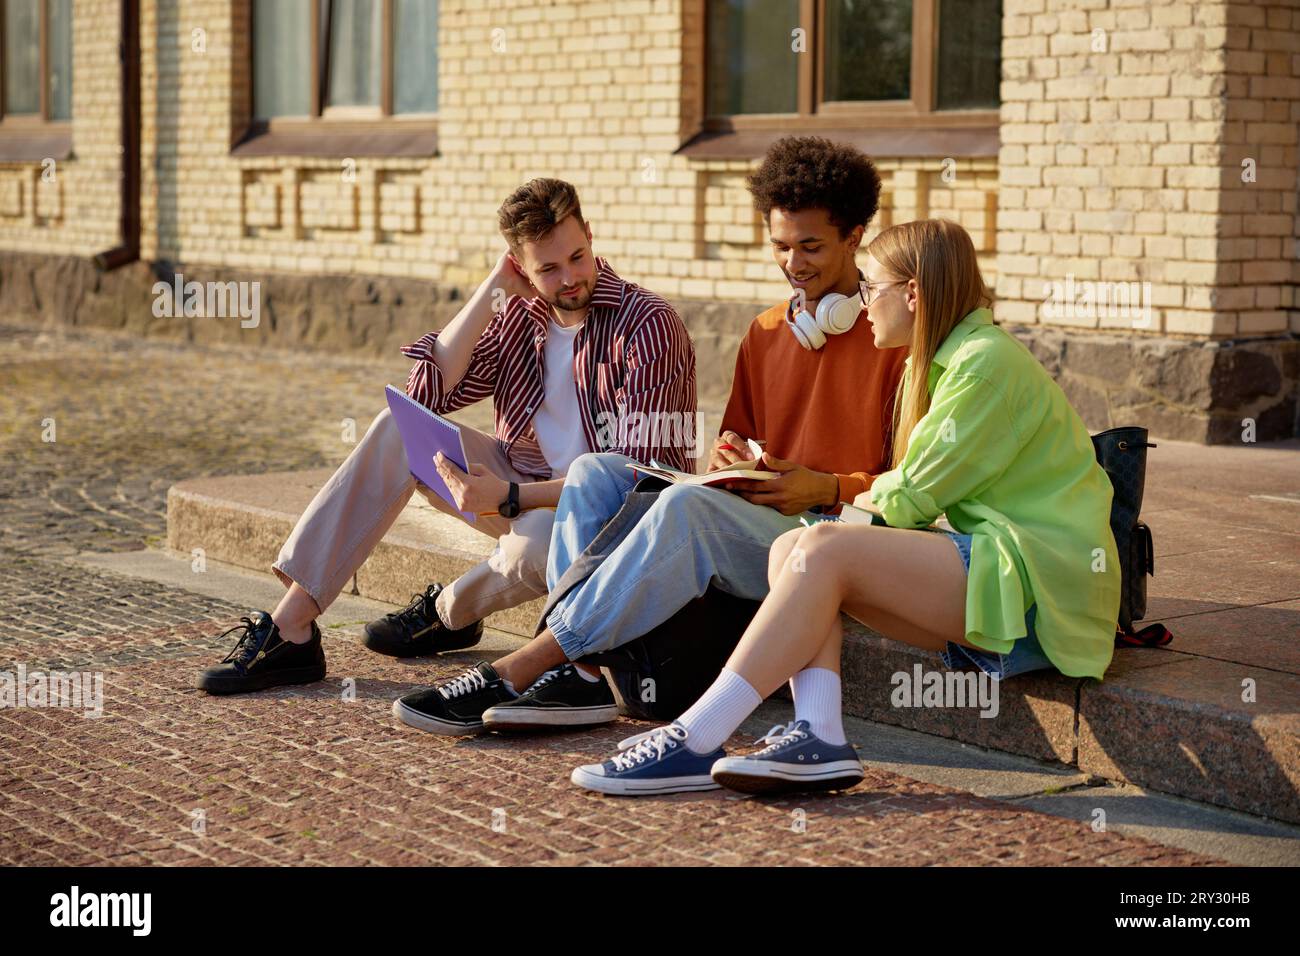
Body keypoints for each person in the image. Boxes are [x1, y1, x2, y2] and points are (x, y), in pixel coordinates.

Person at [568, 218, 1122, 796]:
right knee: (791, 548)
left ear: (912, 294)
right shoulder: (943, 359)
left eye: (871, 288)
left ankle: (695, 737)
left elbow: (908, 500)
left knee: (820, 548)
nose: (863, 305)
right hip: (999, 566)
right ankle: (819, 733)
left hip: (1042, 591)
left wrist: (824, 503)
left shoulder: (983, 364)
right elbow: (905, 497)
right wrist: (817, 515)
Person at [391, 136, 909, 734]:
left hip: (837, 533)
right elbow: (732, 444)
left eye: (811, 246)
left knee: (688, 506)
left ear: (855, 236)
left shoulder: (894, 339)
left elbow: (915, 491)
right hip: (762, 524)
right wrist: (736, 459)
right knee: (595, 470)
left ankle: (535, 664)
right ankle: (581, 682)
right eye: (781, 246)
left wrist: (824, 485)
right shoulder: (766, 332)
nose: (794, 264)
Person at [196, 178, 696, 697]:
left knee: (538, 545)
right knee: (395, 429)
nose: (569, 278)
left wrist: (510, 498)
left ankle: (446, 610)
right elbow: (425, 396)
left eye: (577, 256)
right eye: (547, 268)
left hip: (597, 517)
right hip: (513, 486)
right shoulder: (520, 316)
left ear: (591, 236)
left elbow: (641, 477)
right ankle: (292, 629)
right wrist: (490, 292)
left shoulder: (648, 326)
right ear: (521, 266)